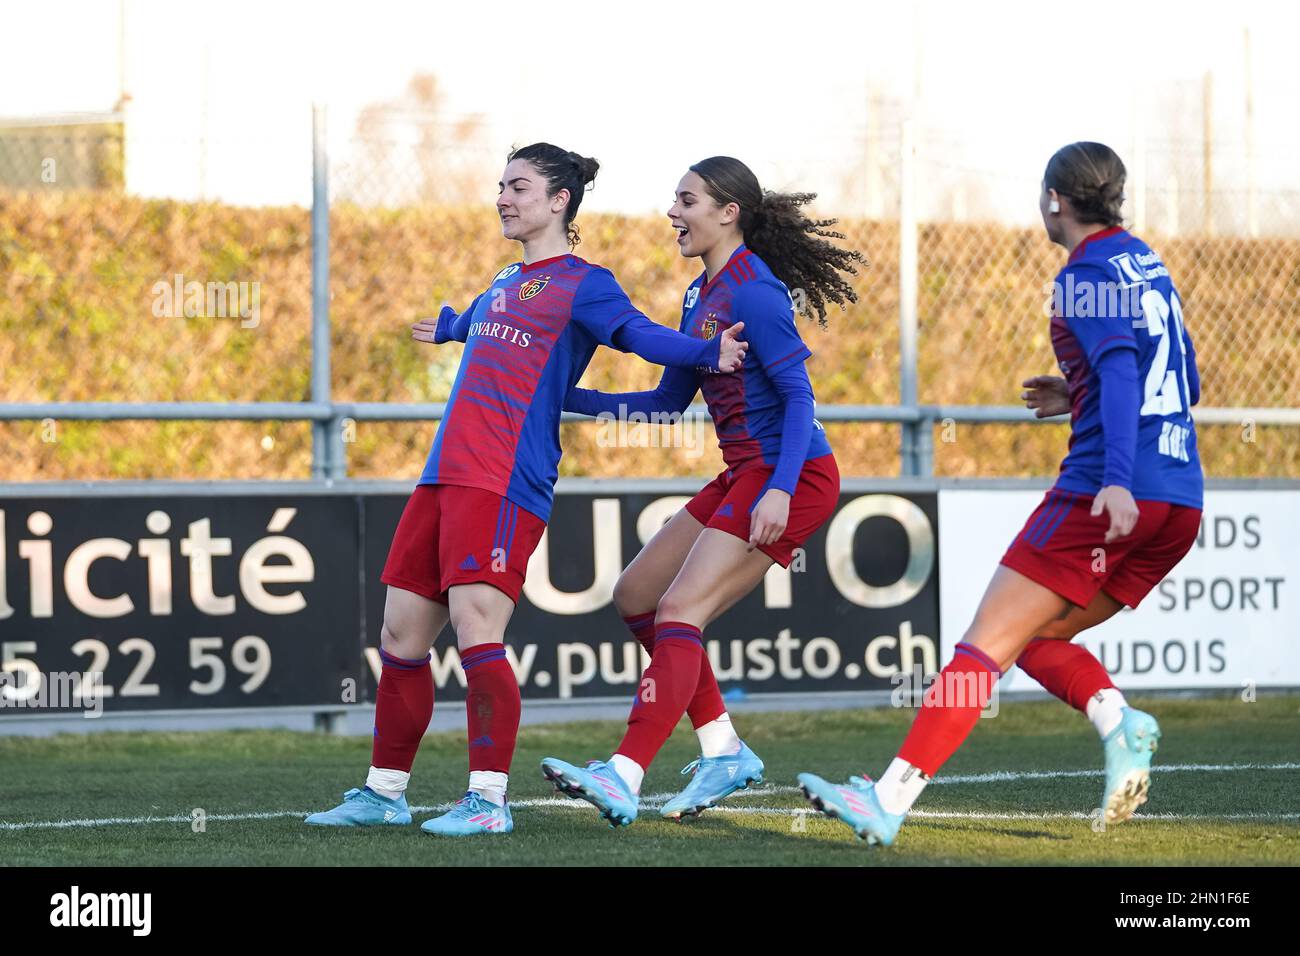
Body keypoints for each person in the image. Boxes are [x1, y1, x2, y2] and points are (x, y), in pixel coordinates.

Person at [305, 143, 748, 836]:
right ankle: (383, 793)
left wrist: (705, 352)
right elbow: (482, 326)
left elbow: (638, 335)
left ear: (558, 200)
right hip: (443, 475)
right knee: (401, 636)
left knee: (478, 632)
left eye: (518, 186)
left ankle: (488, 802)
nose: (503, 197)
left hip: (504, 481)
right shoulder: (504, 280)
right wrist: (453, 323)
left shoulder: (585, 282)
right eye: (501, 185)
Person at [799, 141, 1203, 846]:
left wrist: (1111, 478)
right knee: (1036, 638)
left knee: (981, 648)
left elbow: (1116, 366)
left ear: (1055, 200)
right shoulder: (1147, 263)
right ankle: (1119, 722)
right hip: (1180, 497)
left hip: (1106, 492)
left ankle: (888, 798)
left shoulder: (1084, 273)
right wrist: (1079, 392)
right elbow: (1181, 385)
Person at [540, 156, 864, 826]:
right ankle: (723, 749)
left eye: (686, 200)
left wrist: (777, 491)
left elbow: (800, 398)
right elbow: (666, 401)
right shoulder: (698, 295)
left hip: (791, 474)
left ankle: (624, 773)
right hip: (744, 473)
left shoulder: (754, 292)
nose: (671, 213)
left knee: (680, 611)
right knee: (637, 596)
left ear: (728, 213)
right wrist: (565, 397)